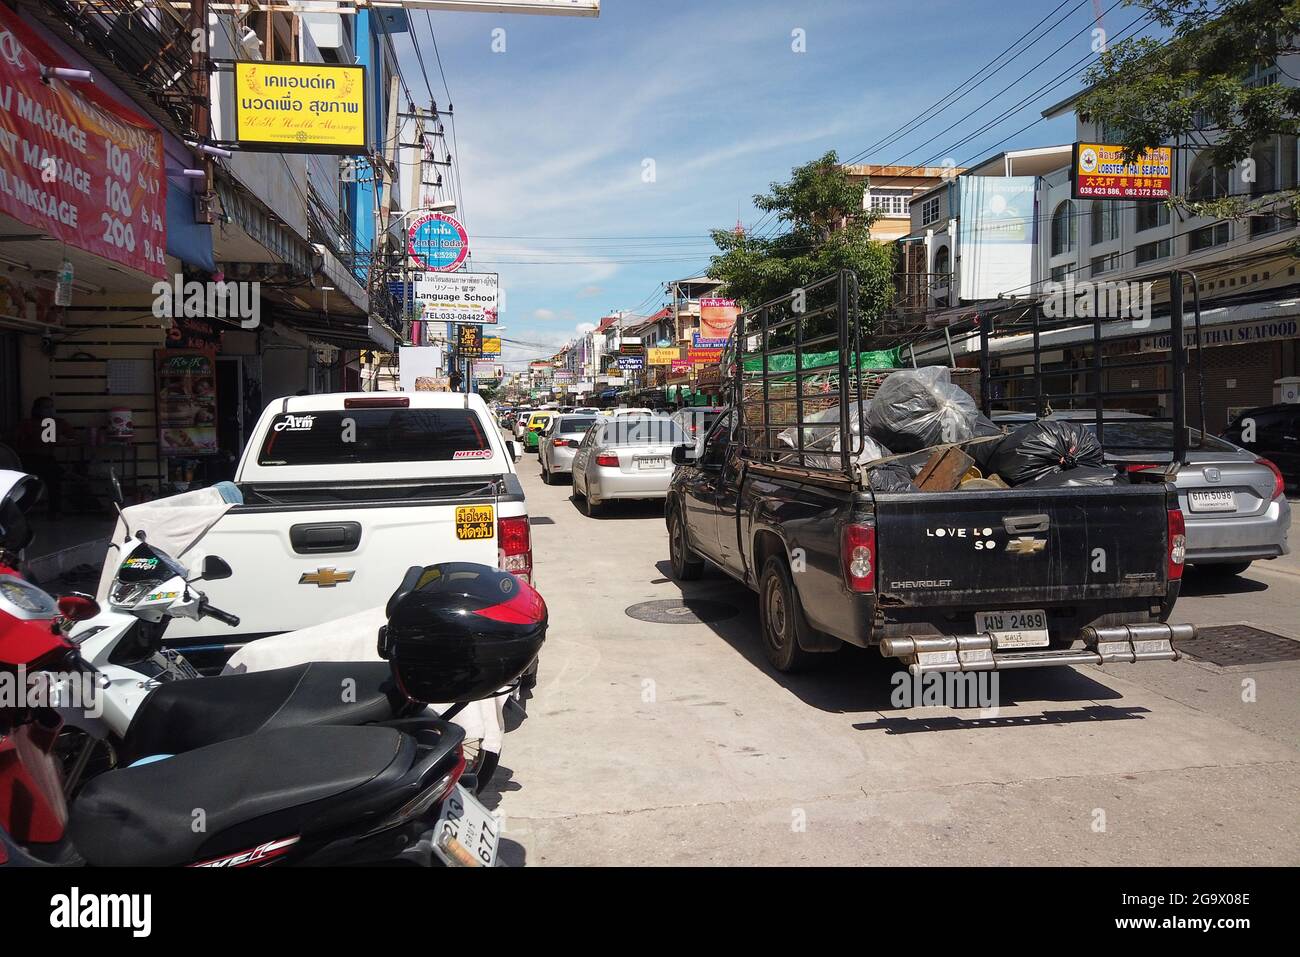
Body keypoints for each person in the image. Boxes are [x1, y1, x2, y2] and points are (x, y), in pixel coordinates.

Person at [5, 397, 73, 516]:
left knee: (54, 482)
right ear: (37, 409)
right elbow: (14, 440)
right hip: (29, 459)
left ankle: (55, 512)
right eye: (46, 407)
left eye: (51, 406)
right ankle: (19, 513)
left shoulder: (57, 423)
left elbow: (71, 438)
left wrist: (63, 440)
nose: (50, 410)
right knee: (29, 485)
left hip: (47, 459)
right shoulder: (27, 424)